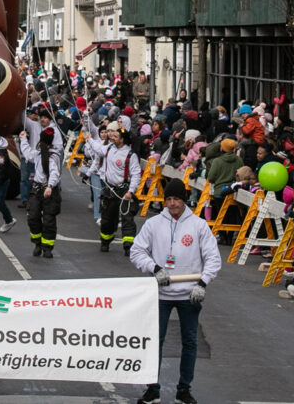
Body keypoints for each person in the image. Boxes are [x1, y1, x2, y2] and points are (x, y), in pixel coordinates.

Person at [130, 178, 220, 404]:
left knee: (189, 342)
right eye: (168, 199)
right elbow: (137, 252)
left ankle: (184, 389)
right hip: (160, 295)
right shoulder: (153, 224)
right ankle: (152, 388)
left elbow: (213, 258)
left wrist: (203, 283)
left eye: (176, 199)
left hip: (189, 295)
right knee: (154, 342)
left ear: (184, 200)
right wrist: (154, 268)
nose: (172, 204)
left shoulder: (198, 225)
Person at [99, 121, 142, 254]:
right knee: (107, 219)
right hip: (109, 190)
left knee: (127, 219)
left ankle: (128, 246)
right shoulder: (109, 149)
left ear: (123, 139)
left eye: (116, 136)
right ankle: (105, 241)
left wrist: (130, 191)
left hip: (124, 191)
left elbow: (136, 175)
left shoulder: (131, 155)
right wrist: (88, 136)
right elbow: (96, 147)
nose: (112, 137)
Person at [19, 125, 61, 258]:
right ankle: (37, 243)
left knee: (49, 219)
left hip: (49, 191)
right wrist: (23, 139)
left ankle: (47, 247)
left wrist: (49, 186)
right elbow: (27, 152)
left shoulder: (53, 157)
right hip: (37, 190)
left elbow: (54, 173)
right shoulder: (38, 154)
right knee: (33, 216)